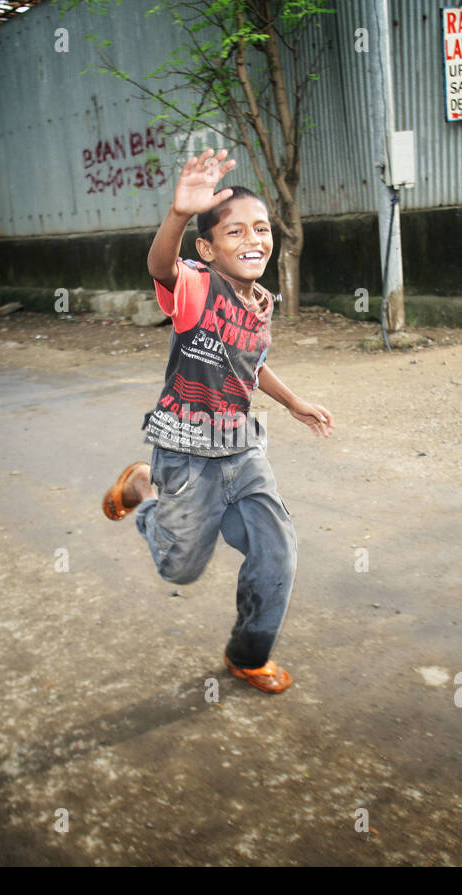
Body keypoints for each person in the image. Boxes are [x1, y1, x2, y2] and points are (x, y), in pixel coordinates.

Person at [102, 148, 335, 694]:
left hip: (241, 449)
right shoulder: (196, 288)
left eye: (260, 229)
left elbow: (247, 361)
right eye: (235, 233)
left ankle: (248, 654)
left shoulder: (262, 302)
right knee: (180, 569)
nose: (252, 240)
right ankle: (143, 487)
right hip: (185, 453)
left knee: (277, 548)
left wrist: (292, 401)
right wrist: (180, 214)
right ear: (206, 249)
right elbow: (161, 265)